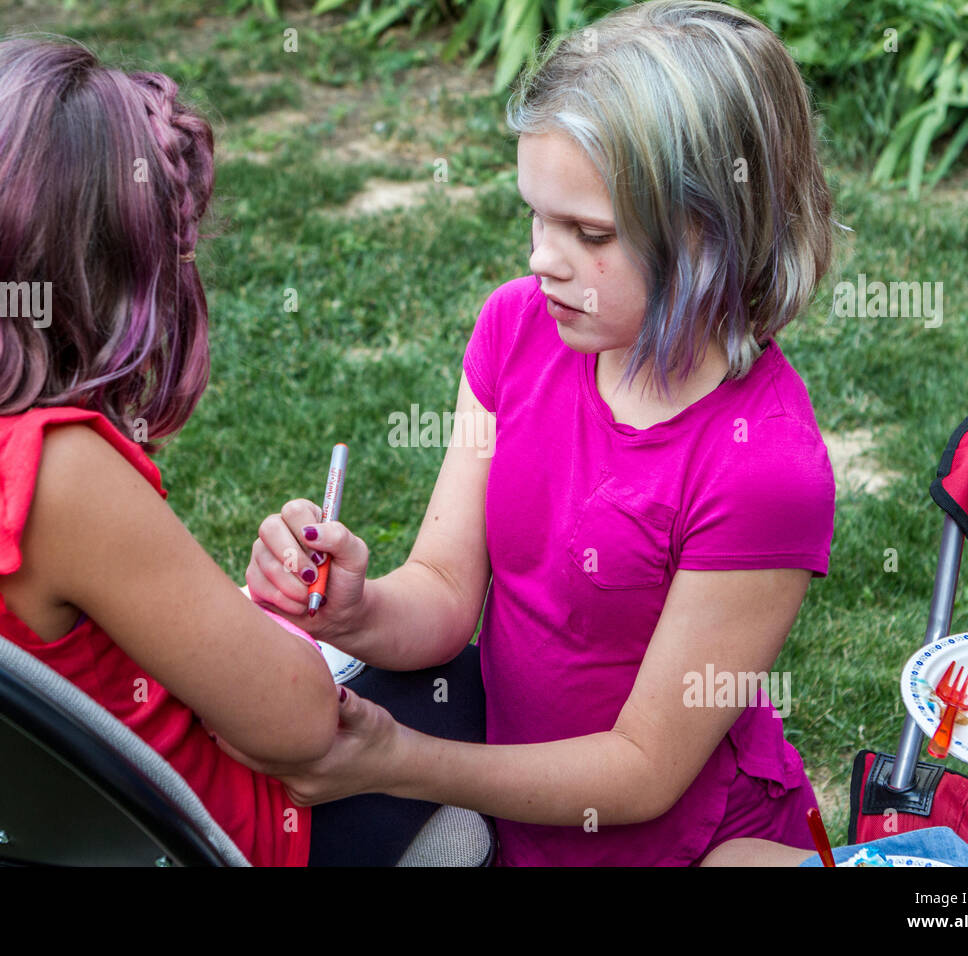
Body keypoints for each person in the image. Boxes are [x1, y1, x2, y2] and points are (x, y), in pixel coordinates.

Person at [243, 0, 838, 866]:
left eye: (588, 233)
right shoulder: (517, 329)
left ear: (709, 236)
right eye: (537, 216)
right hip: (506, 802)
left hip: (684, 841)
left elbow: (641, 773)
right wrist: (356, 610)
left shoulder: (765, 468)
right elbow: (447, 591)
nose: (540, 258)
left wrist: (402, 762)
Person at [0, 36, 341, 866]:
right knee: (456, 709)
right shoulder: (43, 476)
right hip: (189, 844)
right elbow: (299, 728)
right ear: (114, 277)